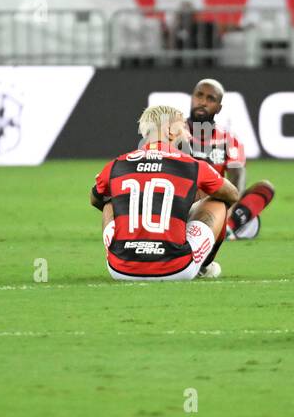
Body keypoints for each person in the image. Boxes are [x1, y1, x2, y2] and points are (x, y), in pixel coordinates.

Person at [91, 105, 239, 281]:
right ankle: (204, 267)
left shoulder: (115, 165)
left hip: (120, 269)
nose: (189, 134)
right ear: (169, 130)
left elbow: (95, 200)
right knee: (219, 201)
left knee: (110, 202)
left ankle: (126, 248)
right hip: (176, 268)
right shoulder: (193, 166)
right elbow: (232, 195)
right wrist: (191, 199)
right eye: (184, 126)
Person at [185, 78, 276, 247]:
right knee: (251, 222)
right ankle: (227, 228)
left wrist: (228, 209)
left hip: (216, 204)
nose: (203, 102)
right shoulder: (175, 133)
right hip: (181, 201)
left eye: (210, 99)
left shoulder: (228, 140)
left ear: (218, 108)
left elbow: (237, 178)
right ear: (192, 98)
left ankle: (227, 225)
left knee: (265, 188)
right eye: (199, 95)